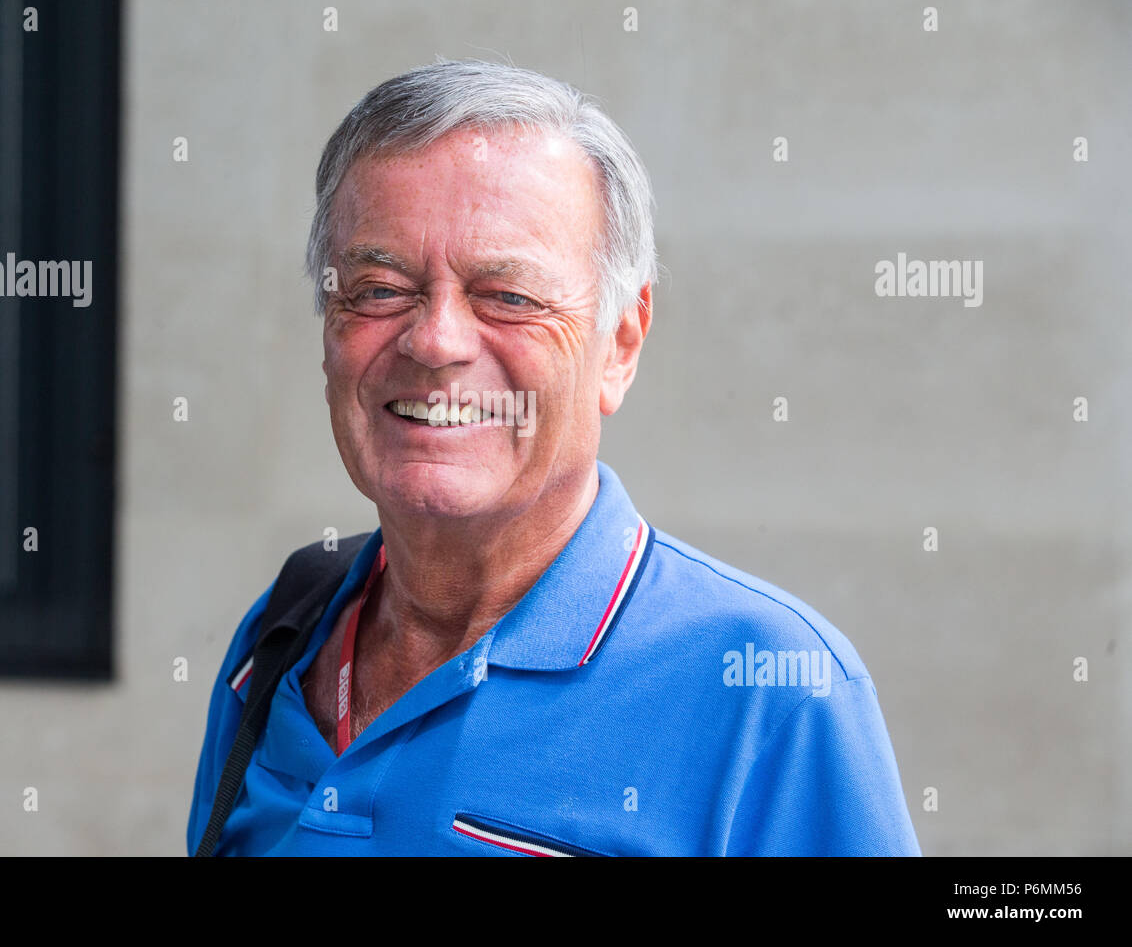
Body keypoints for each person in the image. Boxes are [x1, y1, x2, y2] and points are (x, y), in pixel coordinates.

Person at [187, 59, 921, 856]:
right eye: (378, 288)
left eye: (509, 296)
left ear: (621, 343)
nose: (435, 341)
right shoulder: (283, 634)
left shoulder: (769, 692)